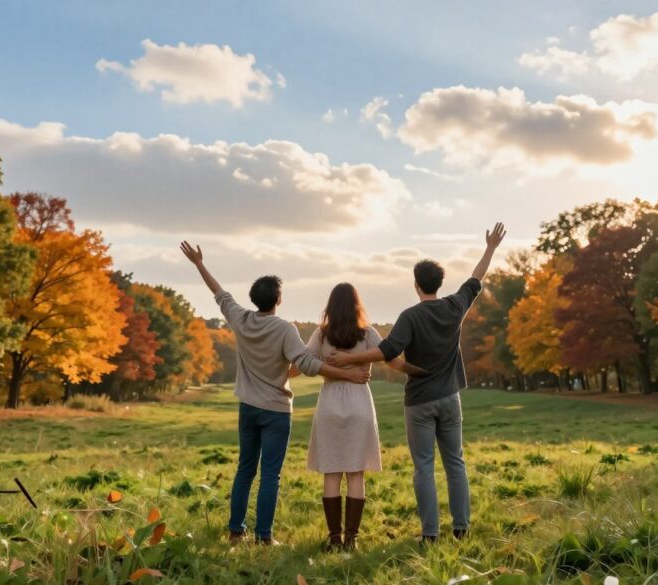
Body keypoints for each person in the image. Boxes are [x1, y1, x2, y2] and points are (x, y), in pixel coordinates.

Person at [180, 241, 371, 546]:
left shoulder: (239, 319)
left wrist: (199, 264)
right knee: (270, 475)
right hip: (276, 411)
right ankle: (264, 537)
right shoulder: (285, 329)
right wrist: (348, 373)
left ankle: (235, 530)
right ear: (278, 300)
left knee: (245, 470)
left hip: (248, 407)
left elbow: (219, 294)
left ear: (254, 299)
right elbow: (307, 364)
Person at [327, 222, 506, 543]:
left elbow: (387, 351)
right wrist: (490, 248)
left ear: (416, 285)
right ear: (440, 283)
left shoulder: (410, 316)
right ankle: (461, 528)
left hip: (420, 402)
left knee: (424, 467)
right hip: (451, 398)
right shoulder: (455, 305)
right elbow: (476, 279)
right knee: (455, 462)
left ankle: (430, 535)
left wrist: (348, 359)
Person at [293, 283, 426, 550]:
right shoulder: (367, 334)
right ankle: (351, 540)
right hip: (359, 403)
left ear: (330, 306)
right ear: (357, 305)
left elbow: (304, 364)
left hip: (330, 402)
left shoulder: (321, 335)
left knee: (331, 473)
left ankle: (334, 539)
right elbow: (393, 359)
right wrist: (423, 372)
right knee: (356, 474)